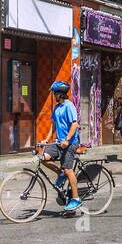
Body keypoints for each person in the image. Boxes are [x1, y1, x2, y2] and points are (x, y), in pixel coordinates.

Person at [37, 81, 81, 211]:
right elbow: (54, 125)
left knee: (68, 169)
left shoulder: (69, 106)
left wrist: (67, 139)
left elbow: (74, 124)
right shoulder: (56, 108)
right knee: (43, 157)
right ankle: (60, 173)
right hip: (58, 142)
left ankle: (76, 199)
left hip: (70, 143)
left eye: (54, 93)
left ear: (60, 94)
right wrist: (46, 139)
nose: (53, 95)